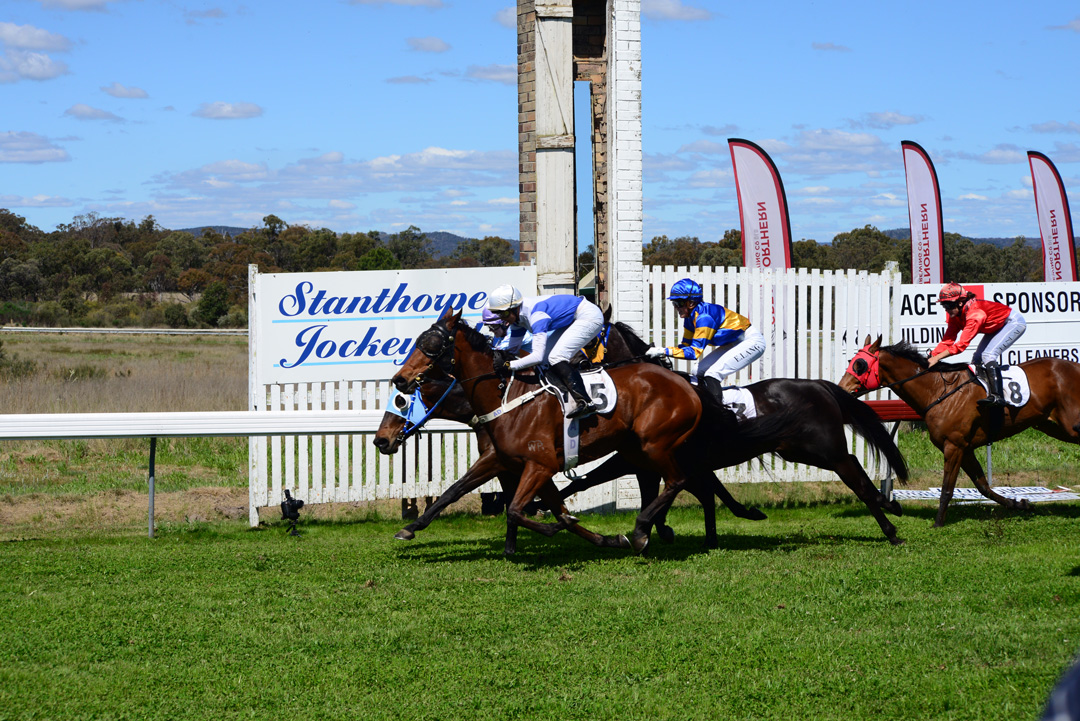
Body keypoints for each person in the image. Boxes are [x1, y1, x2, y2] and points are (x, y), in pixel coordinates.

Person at [486, 284, 603, 419]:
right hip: (572, 319)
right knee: (548, 358)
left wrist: (509, 365)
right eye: (498, 313)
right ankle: (560, 394)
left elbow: (537, 356)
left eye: (504, 313)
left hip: (588, 316)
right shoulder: (517, 320)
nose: (502, 318)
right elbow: (512, 351)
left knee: (556, 357)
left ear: (515, 308)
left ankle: (585, 402)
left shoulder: (536, 315)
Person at [645, 277, 766, 401]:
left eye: (679, 303)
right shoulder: (689, 318)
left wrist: (662, 350)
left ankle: (719, 412)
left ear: (691, 303)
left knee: (713, 373)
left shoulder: (704, 318)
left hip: (751, 341)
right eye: (674, 304)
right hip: (735, 341)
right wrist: (661, 353)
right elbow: (685, 346)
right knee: (697, 370)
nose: (676, 308)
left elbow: (693, 353)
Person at [927, 282, 1026, 406]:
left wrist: (937, 358)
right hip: (997, 326)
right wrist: (931, 356)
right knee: (977, 359)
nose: (946, 309)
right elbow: (947, 340)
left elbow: (961, 345)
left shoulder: (975, 314)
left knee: (988, 355)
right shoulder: (955, 316)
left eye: (948, 305)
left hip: (1013, 323)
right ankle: (981, 393)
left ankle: (997, 396)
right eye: (944, 305)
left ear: (960, 302)